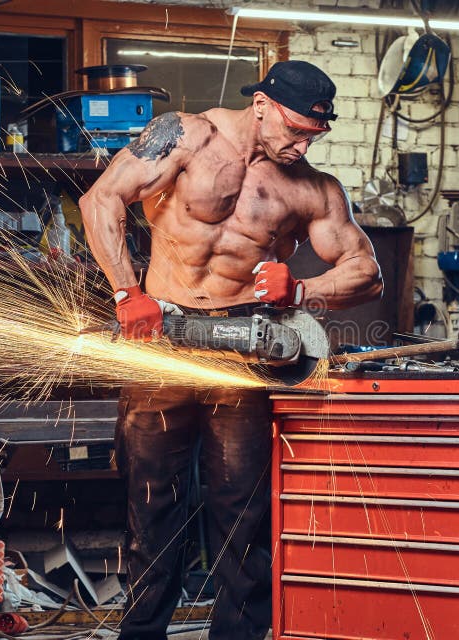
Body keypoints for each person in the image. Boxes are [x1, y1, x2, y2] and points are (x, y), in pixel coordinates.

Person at [79, 60, 383, 640]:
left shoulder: (313, 188)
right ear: (262, 104)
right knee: (152, 504)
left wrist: (303, 289)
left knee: (241, 507)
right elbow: (101, 201)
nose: (301, 144)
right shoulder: (186, 136)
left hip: (244, 348)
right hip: (160, 336)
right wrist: (127, 292)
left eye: (313, 135)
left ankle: (239, 634)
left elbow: (367, 273)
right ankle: (142, 633)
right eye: (295, 129)